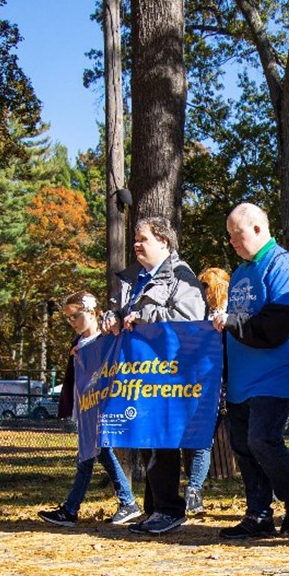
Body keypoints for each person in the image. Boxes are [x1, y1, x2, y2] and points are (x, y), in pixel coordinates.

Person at [212, 203, 289, 540]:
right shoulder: (242, 271)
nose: (231, 242)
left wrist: (231, 322)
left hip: (277, 373)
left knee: (262, 439)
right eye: (228, 236)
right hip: (243, 378)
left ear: (257, 228)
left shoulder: (283, 265)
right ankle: (258, 513)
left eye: (236, 234)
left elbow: (280, 322)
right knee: (242, 444)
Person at [103, 217, 206, 534]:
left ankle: (170, 510)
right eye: (134, 238)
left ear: (164, 242)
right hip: (139, 374)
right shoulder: (134, 280)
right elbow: (121, 314)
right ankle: (154, 510)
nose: (136, 244)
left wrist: (145, 315)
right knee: (147, 440)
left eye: (143, 238)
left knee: (161, 441)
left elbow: (191, 317)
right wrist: (112, 317)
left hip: (170, 373)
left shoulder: (180, 276)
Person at [38, 291, 142, 527]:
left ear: (92, 312)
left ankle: (71, 510)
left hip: (100, 407)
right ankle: (126, 502)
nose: (72, 322)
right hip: (85, 407)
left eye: (76, 315)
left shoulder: (105, 338)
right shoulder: (79, 344)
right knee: (99, 453)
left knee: (87, 456)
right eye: (69, 318)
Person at [182, 266, 232, 515]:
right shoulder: (197, 316)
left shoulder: (230, 316)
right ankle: (193, 491)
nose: (202, 292)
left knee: (252, 441)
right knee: (202, 441)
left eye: (206, 288)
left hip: (230, 386)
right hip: (203, 387)